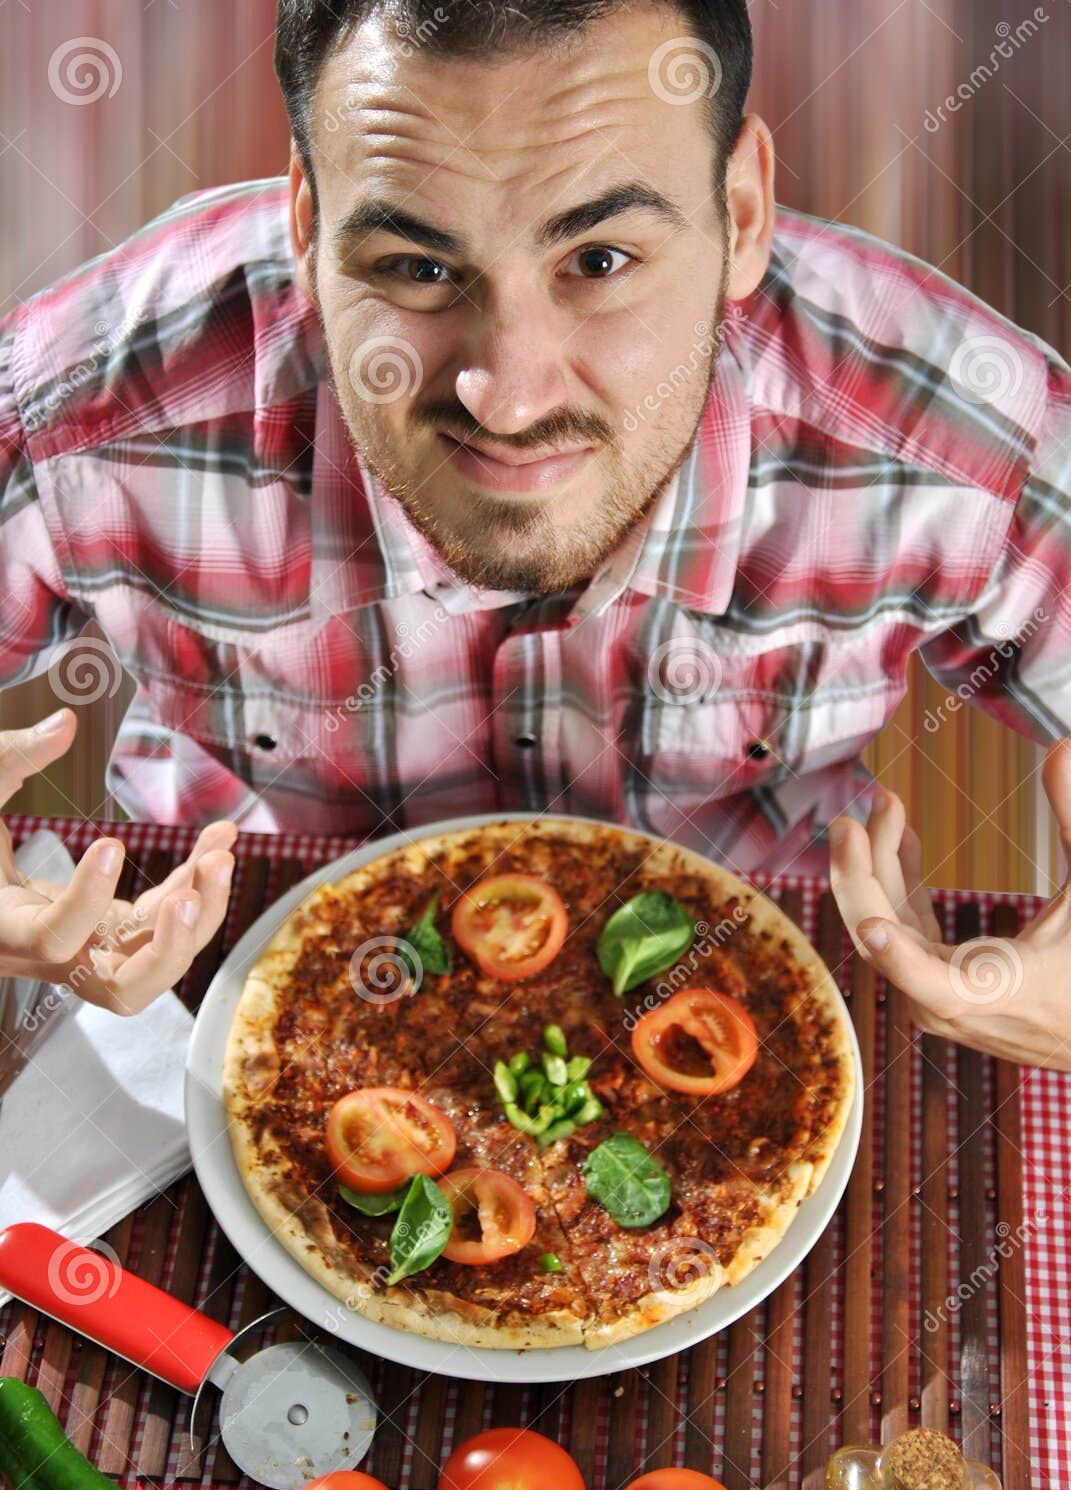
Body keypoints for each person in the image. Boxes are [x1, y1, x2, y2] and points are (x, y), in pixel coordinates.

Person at [0, 2, 1068, 1059]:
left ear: (741, 215)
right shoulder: (83, 400)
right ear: (306, 225)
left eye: (600, 259)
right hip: (202, 988)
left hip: (752, 1000)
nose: (506, 396)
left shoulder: (950, 425)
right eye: (418, 268)